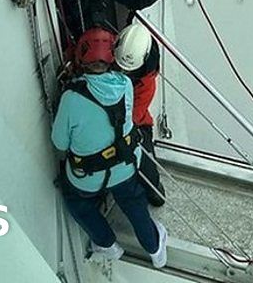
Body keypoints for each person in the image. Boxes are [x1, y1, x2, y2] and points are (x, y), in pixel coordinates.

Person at [52, 27, 168, 268]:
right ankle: (155, 248)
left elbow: (59, 143)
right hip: (124, 165)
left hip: (87, 177)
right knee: (133, 203)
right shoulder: (125, 83)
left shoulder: (70, 98)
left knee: (76, 201)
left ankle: (106, 244)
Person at [114, 23, 165, 207]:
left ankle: (153, 185)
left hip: (136, 124)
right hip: (111, 118)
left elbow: (134, 116)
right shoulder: (117, 51)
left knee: (147, 165)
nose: (125, 72)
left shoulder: (147, 83)